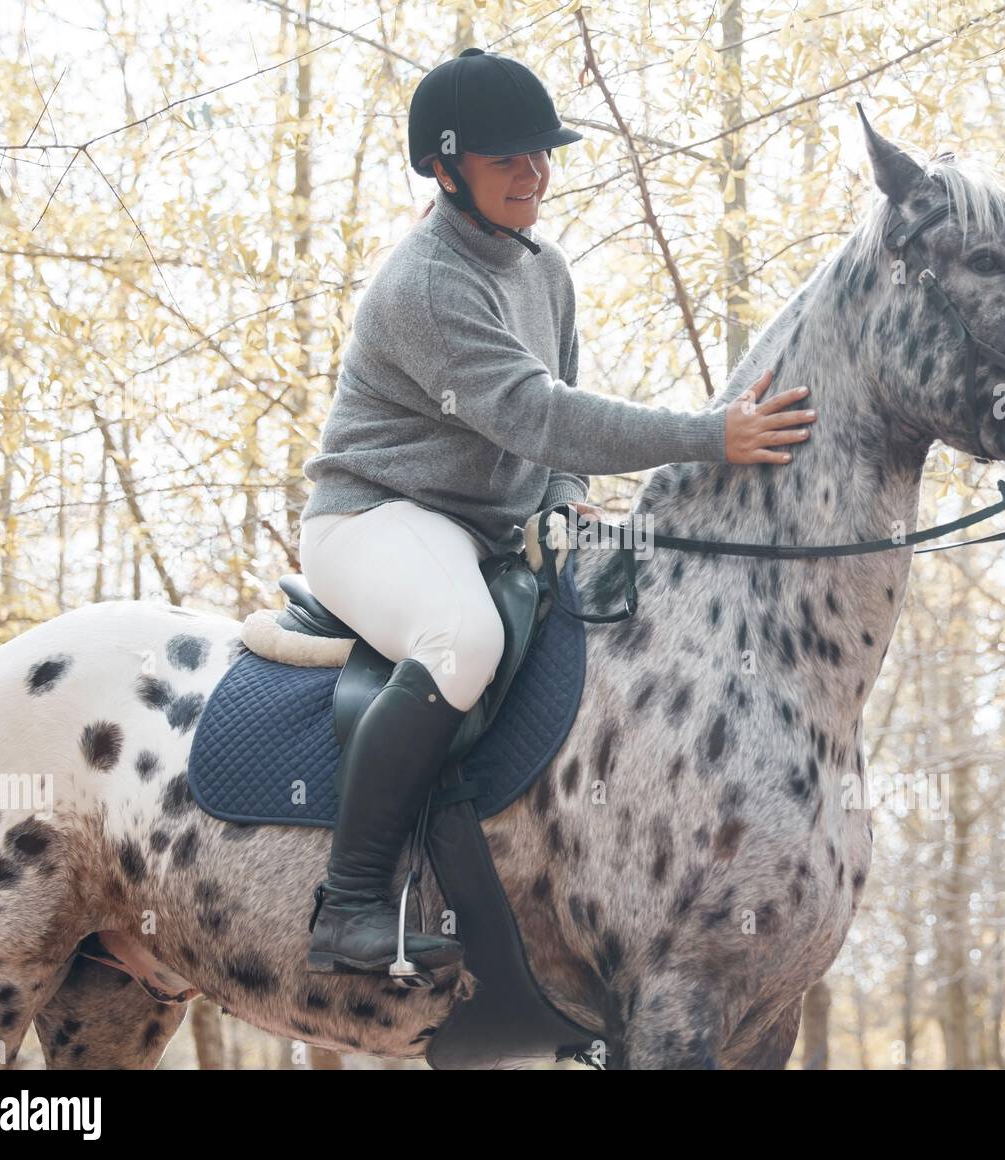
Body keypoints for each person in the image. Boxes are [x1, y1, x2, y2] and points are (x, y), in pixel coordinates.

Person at [297, 46, 817, 978]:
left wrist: (568, 506)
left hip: (487, 528)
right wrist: (711, 435)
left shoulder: (546, 272)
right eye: (508, 161)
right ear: (445, 169)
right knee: (462, 641)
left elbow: (555, 444)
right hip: (374, 518)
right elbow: (541, 415)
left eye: (541, 155)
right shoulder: (422, 284)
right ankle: (350, 901)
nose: (534, 174)